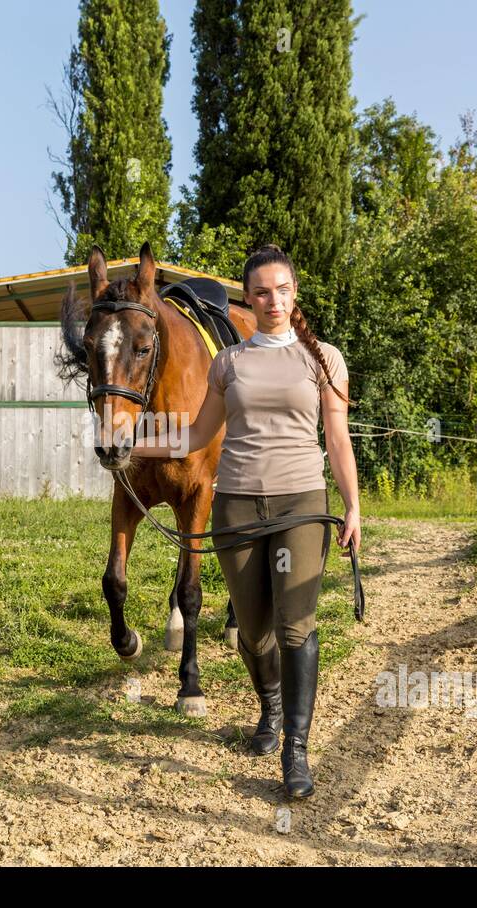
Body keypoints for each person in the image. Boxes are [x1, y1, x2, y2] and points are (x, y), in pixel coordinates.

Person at [130, 242, 361, 799]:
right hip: (236, 504)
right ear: (248, 299)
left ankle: (295, 752)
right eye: (261, 292)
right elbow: (193, 436)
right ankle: (271, 706)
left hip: (301, 504)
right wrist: (131, 440)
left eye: (282, 290)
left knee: (295, 626)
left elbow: (336, 438)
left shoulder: (323, 358)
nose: (272, 300)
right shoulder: (228, 362)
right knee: (253, 634)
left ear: (294, 293)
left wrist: (352, 505)